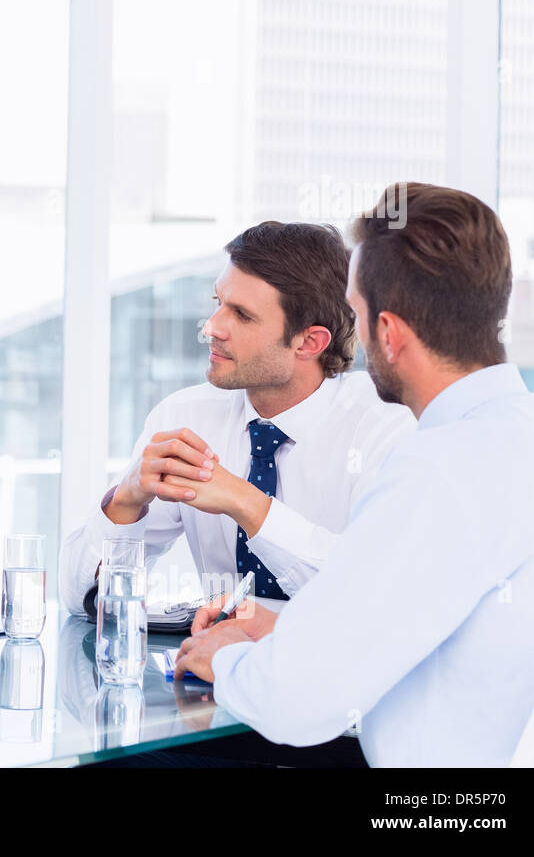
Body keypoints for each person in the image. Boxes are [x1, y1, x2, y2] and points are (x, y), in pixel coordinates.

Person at [175, 182, 534, 767]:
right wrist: (284, 629)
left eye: (354, 312)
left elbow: (293, 703)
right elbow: (436, 627)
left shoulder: (439, 468)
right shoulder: (533, 435)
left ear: (390, 333)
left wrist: (223, 657)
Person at [60, 221, 415, 616]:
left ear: (310, 342)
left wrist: (245, 502)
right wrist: (126, 500)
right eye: (218, 304)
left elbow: (374, 595)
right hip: (213, 670)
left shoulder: (385, 426)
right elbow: (79, 602)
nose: (211, 328)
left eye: (242, 315)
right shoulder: (186, 416)